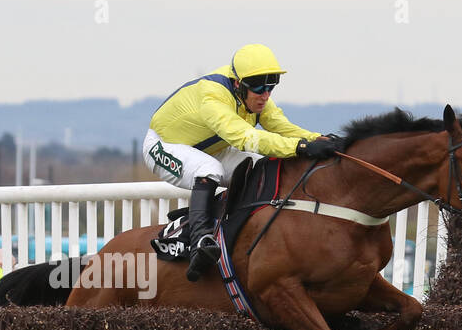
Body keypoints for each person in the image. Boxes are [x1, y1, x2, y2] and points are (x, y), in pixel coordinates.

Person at [143, 44, 337, 281]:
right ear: (238, 84)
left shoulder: (255, 95)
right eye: (258, 88)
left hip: (212, 148)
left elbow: (282, 128)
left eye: (270, 87)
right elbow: (247, 139)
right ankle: (199, 240)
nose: (265, 95)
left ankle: (231, 225)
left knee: (259, 167)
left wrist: (317, 139)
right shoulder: (212, 95)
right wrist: (302, 147)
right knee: (208, 169)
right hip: (163, 146)